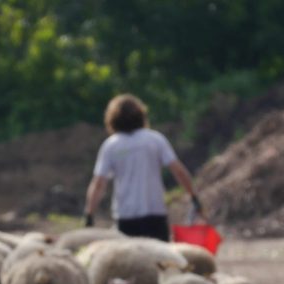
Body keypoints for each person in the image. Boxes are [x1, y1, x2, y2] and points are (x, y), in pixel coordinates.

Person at [84, 94, 203, 242]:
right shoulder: (155, 140)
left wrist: (90, 213)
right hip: (155, 213)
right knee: (161, 262)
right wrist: (193, 196)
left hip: (126, 216)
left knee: (129, 262)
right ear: (141, 115)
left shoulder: (111, 145)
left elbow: (99, 183)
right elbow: (178, 170)